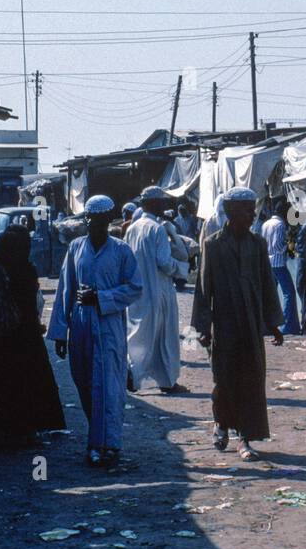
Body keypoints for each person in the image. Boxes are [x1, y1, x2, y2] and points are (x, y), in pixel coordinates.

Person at [49, 194, 143, 466]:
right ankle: (97, 436)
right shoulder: (76, 248)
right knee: (86, 383)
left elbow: (135, 288)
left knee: (110, 386)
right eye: (92, 220)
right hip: (80, 325)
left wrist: (102, 297)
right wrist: (60, 332)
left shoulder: (122, 250)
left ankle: (107, 444)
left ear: (108, 220)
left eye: (102, 220)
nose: (97, 225)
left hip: (109, 325)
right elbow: (64, 290)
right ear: (86, 220)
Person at [192, 188, 284, 460]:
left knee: (251, 380)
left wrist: (274, 323)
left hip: (252, 323)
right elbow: (203, 288)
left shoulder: (258, 245)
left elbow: (268, 284)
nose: (252, 215)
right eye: (247, 210)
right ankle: (221, 423)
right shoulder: (213, 245)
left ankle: (245, 438)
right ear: (232, 212)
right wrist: (203, 328)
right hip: (224, 324)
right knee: (223, 380)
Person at [0, 226, 65, 448]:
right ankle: (23, 432)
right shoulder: (24, 270)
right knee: (24, 388)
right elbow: (28, 307)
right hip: (23, 339)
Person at [124, 186, 188, 393]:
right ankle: (167, 381)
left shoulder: (133, 228)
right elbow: (164, 262)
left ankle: (133, 374)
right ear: (152, 203)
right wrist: (181, 268)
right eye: (161, 202)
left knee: (139, 334)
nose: (164, 206)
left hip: (138, 290)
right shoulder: (157, 228)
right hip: (158, 289)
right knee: (165, 337)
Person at [258, 199, 302, 336]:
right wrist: (288, 247)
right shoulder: (280, 224)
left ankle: (266, 325)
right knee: (289, 292)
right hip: (278, 263)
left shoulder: (265, 224)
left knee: (269, 295)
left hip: (268, 262)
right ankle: (288, 325)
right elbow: (278, 245)